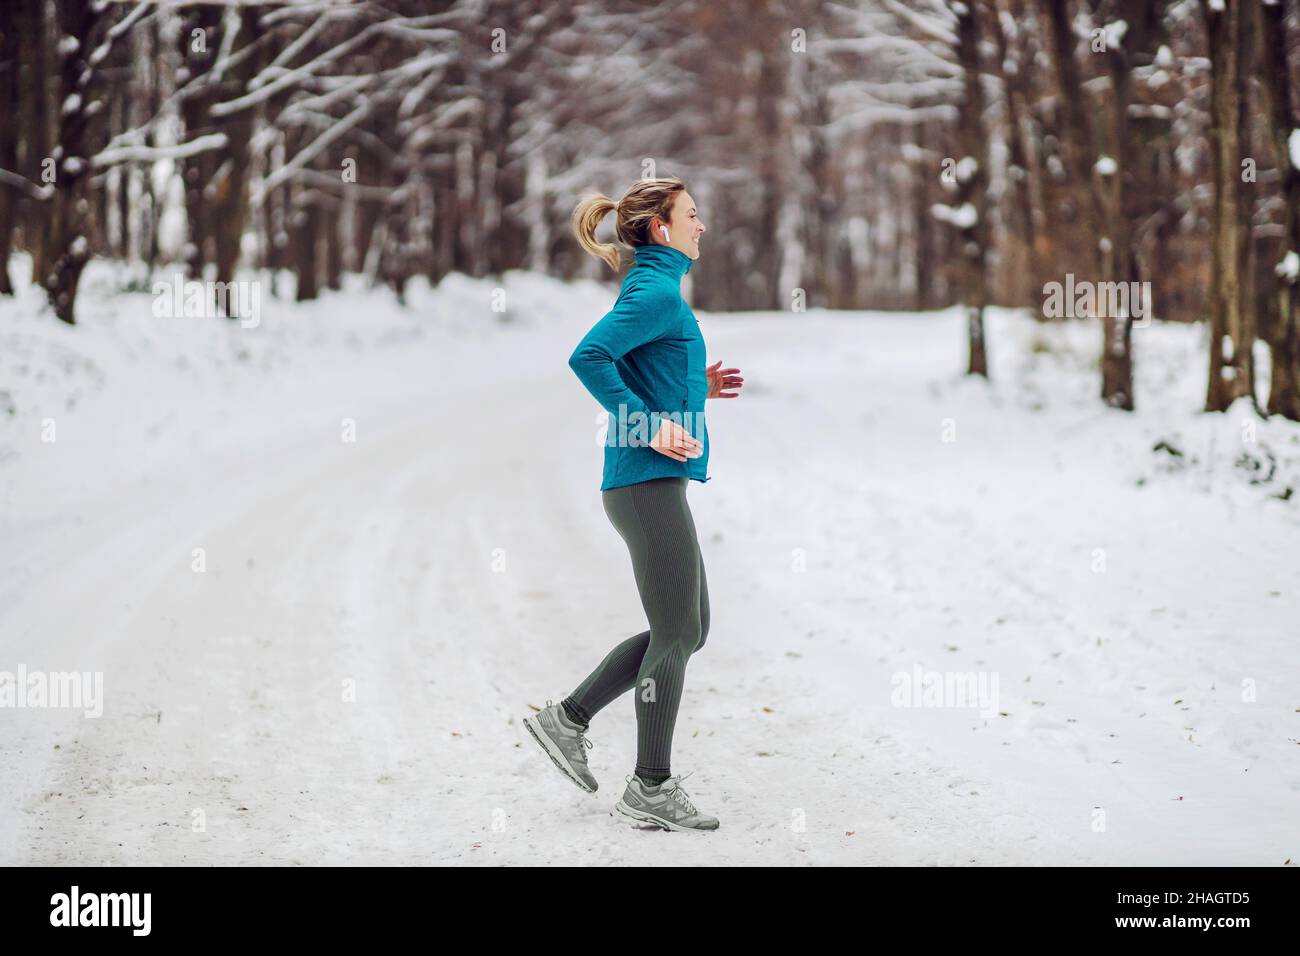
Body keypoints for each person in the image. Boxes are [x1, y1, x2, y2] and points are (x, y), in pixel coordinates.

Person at [523, 176, 743, 832]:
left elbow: (638, 363)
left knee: (690, 627)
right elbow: (588, 356)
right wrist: (647, 424)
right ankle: (650, 784)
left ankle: (567, 719)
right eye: (692, 215)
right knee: (677, 631)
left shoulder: (658, 290)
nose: (702, 226)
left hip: (648, 485)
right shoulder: (654, 291)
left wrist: (689, 386)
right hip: (643, 484)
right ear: (660, 228)